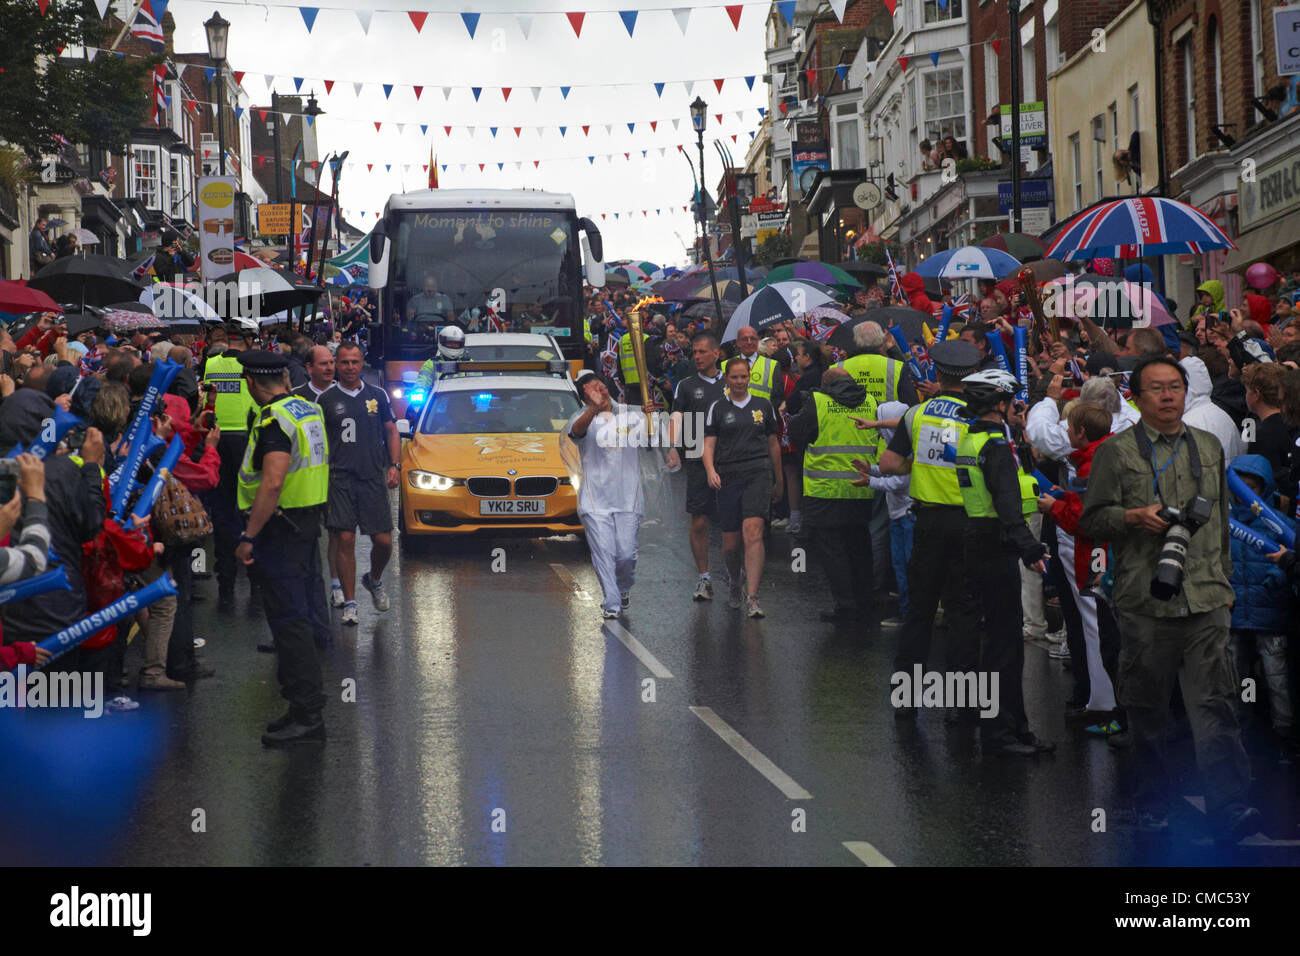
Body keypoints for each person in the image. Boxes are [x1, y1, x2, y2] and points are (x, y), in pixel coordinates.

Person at [1079, 354, 1259, 840]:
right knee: (1147, 710)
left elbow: (1220, 520)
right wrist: (1134, 517)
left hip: (1206, 597)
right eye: (1156, 388)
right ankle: (1148, 802)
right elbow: (1090, 520)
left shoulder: (1206, 445)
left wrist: (1225, 583)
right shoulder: (1115, 452)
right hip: (1144, 601)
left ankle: (1230, 806)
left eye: (1175, 387)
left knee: (1215, 704)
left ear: (1185, 392)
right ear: (1137, 397)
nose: (1167, 396)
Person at [871, 340, 983, 691]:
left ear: (936, 374)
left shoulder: (916, 414)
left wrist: (915, 461)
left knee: (919, 610)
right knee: (962, 612)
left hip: (928, 523)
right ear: (972, 377)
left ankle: (906, 693)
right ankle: (961, 701)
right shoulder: (979, 418)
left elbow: (888, 464)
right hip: (969, 523)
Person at [953, 369, 1054, 755]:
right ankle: (1001, 734)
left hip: (977, 540)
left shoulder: (974, 437)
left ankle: (1011, 726)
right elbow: (1007, 505)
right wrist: (1030, 549)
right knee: (1004, 646)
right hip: (996, 544)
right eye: (1012, 402)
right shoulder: (994, 447)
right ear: (1000, 403)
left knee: (996, 641)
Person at [233, 350, 331, 746]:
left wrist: (248, 537)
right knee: (300, 616)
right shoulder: (307, 409)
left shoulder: (274, 420)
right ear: (285, 380)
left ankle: (308, 715)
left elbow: (272, 482)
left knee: (290, 624)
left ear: (253, 384)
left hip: (281, 530)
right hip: (306, 524)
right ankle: (299, 707)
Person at [787, 366, 881, 627]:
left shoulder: (819, 401)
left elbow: (796, 432)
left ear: (826, 384)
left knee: (833, 550)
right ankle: (865, 601)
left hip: (824, 490)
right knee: (859, 546)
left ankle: (846, 605)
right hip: (861, 486)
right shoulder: (871, 401)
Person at [318, 341, 399, 625]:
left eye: (354, 362)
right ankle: (350, 603)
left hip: (371, 478)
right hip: (339, 479)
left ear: (362, 362)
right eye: (344, 363)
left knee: (384, 541)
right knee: (344, 538)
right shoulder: (325, 400)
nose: (350, 367)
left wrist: (394, 466)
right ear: (336, 365)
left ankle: (374, 579)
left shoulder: (377, 395)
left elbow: (391, 431)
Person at [702, 355, 782, 618]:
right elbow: (709, 444)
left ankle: (753, 596)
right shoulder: (717, 408)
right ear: (727, 378)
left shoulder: (763, 405)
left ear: (749, 377)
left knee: (753, 531)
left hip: (758, 472)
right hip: (728, 476)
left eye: (743, 377)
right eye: (734, 377)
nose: (739, 382)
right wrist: (711, 470)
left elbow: (773, 443)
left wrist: (778, 477)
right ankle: (735, 580)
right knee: (731, 544)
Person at [566, 370, 650, 619]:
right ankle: (611, 603)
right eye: (592, 389)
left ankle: (623, 589)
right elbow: (576, 433)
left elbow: (652, 441)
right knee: (604, 553)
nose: (600, 391)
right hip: (595, 501)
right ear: (584, 396)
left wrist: (650, 417)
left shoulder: (630, 417)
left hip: (628, 498)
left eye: (601, 386)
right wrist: (593, 408)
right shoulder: (581, 418)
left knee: (625, 555)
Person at [1225, 455, 1294, 749]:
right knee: (1234, 676)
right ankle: (1241, 726)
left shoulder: (1281, 525)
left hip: (1269, 612)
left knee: (1277, 678)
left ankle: (1285, 730)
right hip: (1236, 613)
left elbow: (1291, 561)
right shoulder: (1222, 526)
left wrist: (1275, 579)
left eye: (1253, 487)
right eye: (1242, 487)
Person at [665, 331, 726, 600]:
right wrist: (672, 447)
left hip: (730, 459)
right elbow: (676, 417)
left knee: (734, 523)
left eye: (702, 352)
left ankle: (736, 575)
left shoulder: (734, 381)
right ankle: (704, 578)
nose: (697, 357)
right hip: (697, 459)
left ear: (716, 353)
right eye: (694, 353)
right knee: (700, 521)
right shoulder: (686, 385)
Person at [201, 322, 257, 609]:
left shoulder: (210, 363)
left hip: (217, 439)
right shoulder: (251, 364)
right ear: (247, 339)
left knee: (223, 512)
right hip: (247, 440)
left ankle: (225, 586)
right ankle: (257, 587)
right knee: (250, 511)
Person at [732, 325, 780, 402]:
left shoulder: (773, 365)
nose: (749, 342)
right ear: (738, 342)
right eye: (744, 339)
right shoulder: (726, 365)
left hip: (763, 412)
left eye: (753, 339)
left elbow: (778, 398)